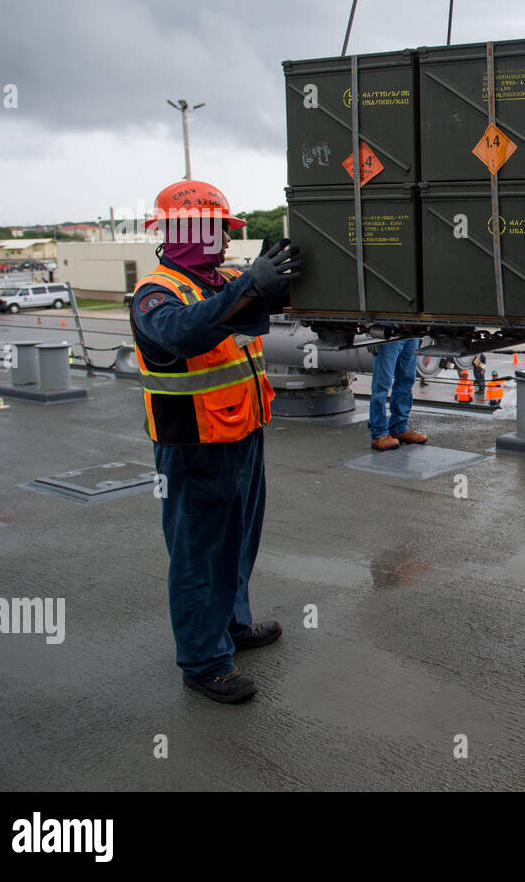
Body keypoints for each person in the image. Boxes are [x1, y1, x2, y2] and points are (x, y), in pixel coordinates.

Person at [131, 179, 302, 704]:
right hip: (193, 446)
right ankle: (203, 662)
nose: (223, 243)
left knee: (238, 540)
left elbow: (264, 297)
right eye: (213, 232)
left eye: (224, 232)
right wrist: (247, 285)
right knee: (198, 554)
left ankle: (231, 624)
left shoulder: (219, 279)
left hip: (241, 432)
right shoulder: (156, 292)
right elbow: (185, 332)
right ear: (179, 234)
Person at [369, 338, 428, 450]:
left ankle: (399, 428)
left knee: (406, 379)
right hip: (389, 332)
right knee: (382, 383)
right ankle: (379, 434)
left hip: (410, 331)